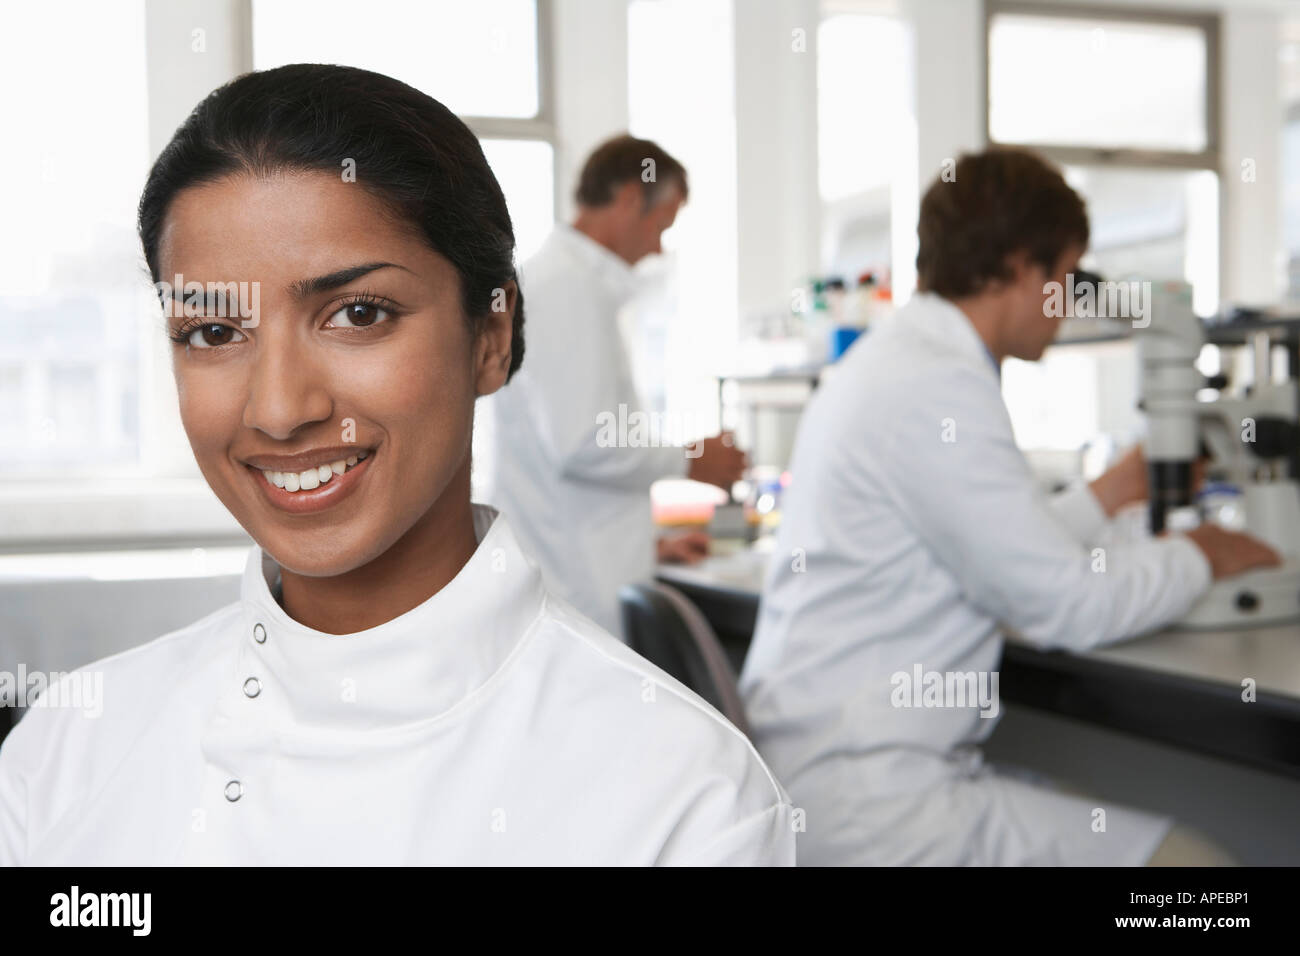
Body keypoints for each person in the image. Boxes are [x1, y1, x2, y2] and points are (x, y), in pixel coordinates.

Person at [0, 65, 794, 866]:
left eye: (358, 314)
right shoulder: (65, 753)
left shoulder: (683, 799)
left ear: (489, 335)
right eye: (213, 333)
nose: (279, 409)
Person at [738, 147, 1277, 866]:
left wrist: (1108, 494)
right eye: (1064, 276)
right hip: (878, 808)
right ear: (1023, 268)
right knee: (1201, 879)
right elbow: (1064, 604)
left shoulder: (896, 359)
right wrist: (1199, 554)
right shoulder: (938, 386)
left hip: (837, 775)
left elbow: (996, 550)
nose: (1068, 300)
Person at [483, 135, 746, 637]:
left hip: (576, 564)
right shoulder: (568, 288)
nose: (657, 247)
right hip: (576, 587)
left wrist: (647, 544)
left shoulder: (569, 284)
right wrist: (693, 460)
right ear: (629, 199)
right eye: (661, 224)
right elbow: (585, 444)